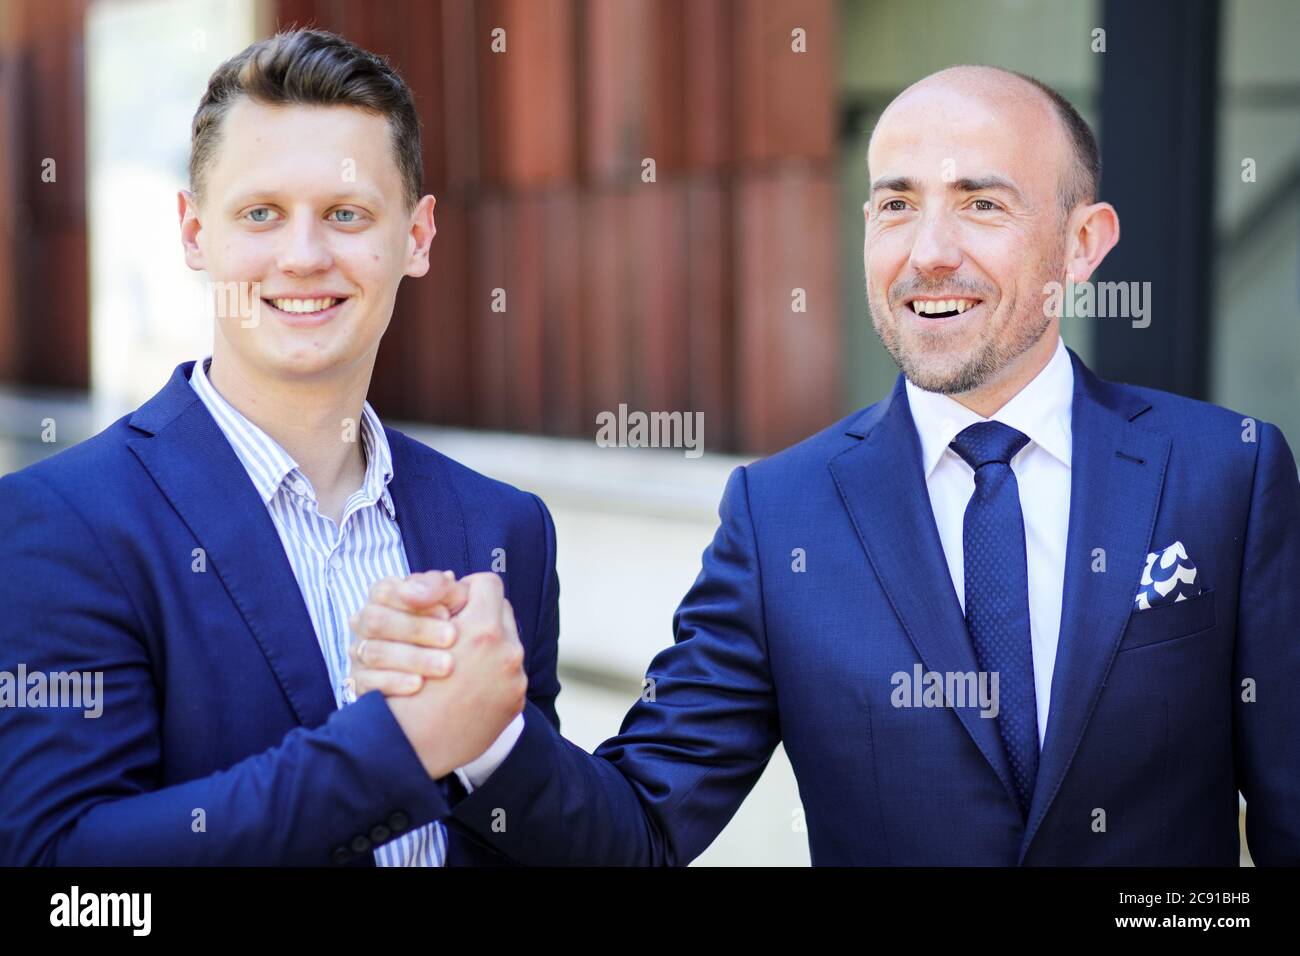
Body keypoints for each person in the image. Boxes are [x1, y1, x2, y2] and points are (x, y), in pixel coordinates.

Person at [352, 65, 1300, 865]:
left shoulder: (1228, 474)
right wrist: (478, 740)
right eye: (896, 205)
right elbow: (638, 828)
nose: (929, 253)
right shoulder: (782, 515)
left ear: (1083, 245)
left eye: (981, 203)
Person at [0, 28, 550, 866]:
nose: (303, 256)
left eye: (346, 214)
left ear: (418, 236)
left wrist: (488, 752)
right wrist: (395, 749)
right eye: (261, 213)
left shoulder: (503, 529)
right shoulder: (61, 526)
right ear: (194, 233)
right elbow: (65, 879)